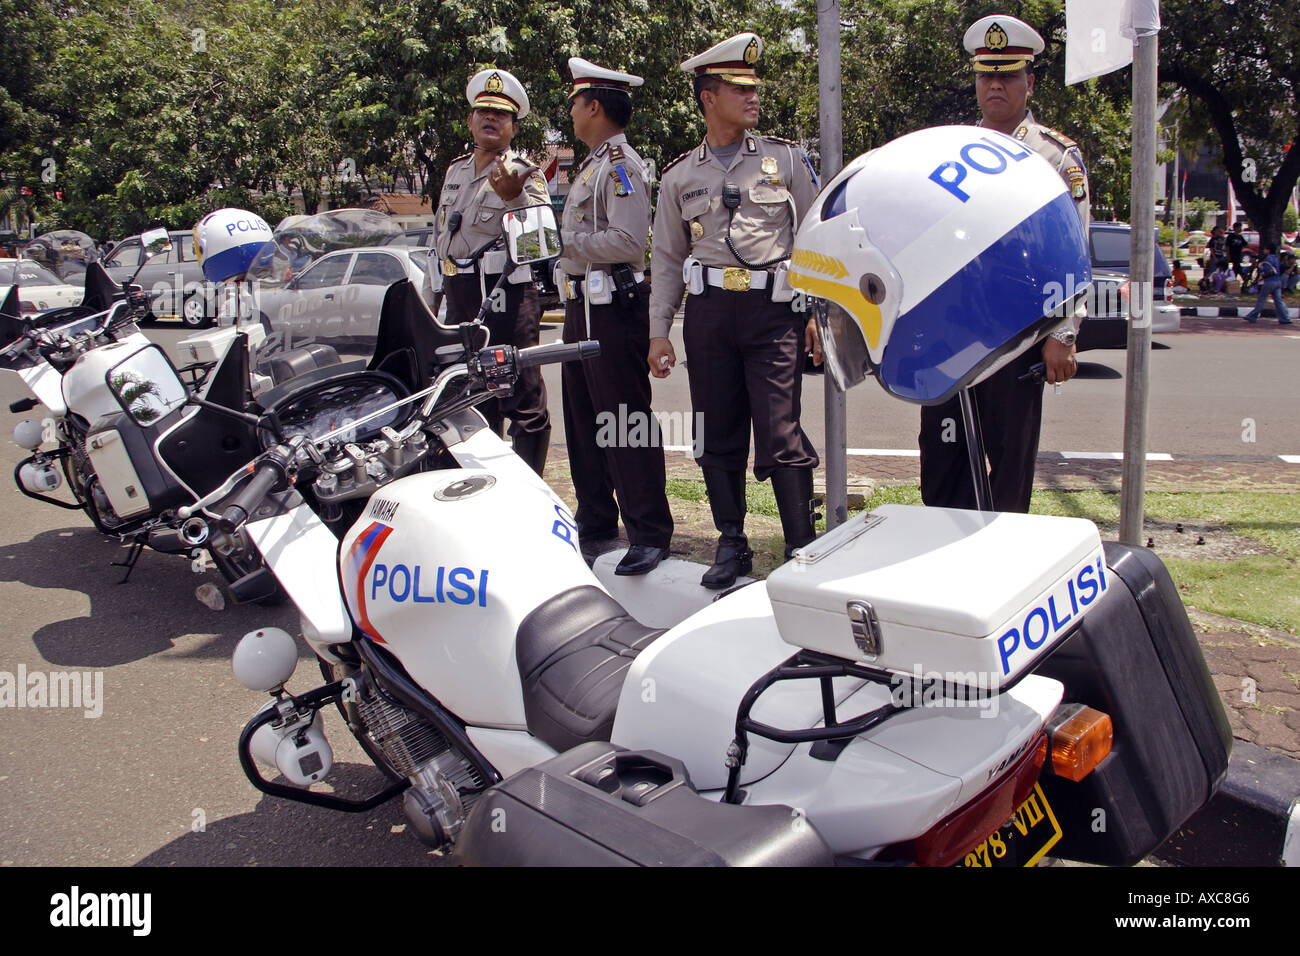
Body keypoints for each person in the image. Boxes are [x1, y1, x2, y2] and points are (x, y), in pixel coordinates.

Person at [648, 32, 822, 588]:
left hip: (774, 314)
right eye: (739, 89)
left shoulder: (786, 160)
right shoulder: (679, 177)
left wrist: (820, 312)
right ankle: (732, 544)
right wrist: (659, 332)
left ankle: (801, 548)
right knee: (715, 431)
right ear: (708, 97)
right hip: (709, 315)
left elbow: (817, 238)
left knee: (780, 430)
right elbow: (668, 259)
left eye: (754, 88)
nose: (753, 97)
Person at [917, 14, 1089, 513]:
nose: (995, 85)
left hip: (1021, 335)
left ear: (1028, 83)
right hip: (953, 332)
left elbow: (1076, 251)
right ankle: (940, 564)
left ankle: (1001, 569)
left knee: (1008, 465)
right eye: (986, 75)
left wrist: (1063, 334)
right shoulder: (946, 151)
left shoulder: (1055, 158)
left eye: (1008, 74)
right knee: (943, 456)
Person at [557, 57, 674, 575]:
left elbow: (629, 241)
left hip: (614, 308)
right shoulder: (591, 165)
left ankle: (649, 532)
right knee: (583, 423)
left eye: (575, 104)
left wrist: (567, 244)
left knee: (623, 423)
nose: (572, 113)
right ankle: (597, 523)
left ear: (594, 106)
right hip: (581, 305)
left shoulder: (622, 165)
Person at [430, 68, 552, 474]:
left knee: (522, 397)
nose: (490, 119)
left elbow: (541, 245)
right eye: (483, 111)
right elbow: (441, 239)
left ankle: (528, 488)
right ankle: (481, 486)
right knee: (469, 399)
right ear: (470, 120)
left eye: (500, 115)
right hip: (460, 298)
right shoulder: (455, 171)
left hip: (507, 299)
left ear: (513, 127)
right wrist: (434, 299)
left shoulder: (523, 173)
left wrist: (516, 198)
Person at [1243, 242, 1291, 324]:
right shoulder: (1275, 258)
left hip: (1269, 282)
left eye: (1265, 249)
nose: (1264, 250)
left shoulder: (1268, 259)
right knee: (1278, 301)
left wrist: (1261, 269)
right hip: (1277, 281)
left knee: (1261, 300)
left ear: (1268, 250)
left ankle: (1252, 316)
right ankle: (1285, 318)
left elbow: (1268, 271)